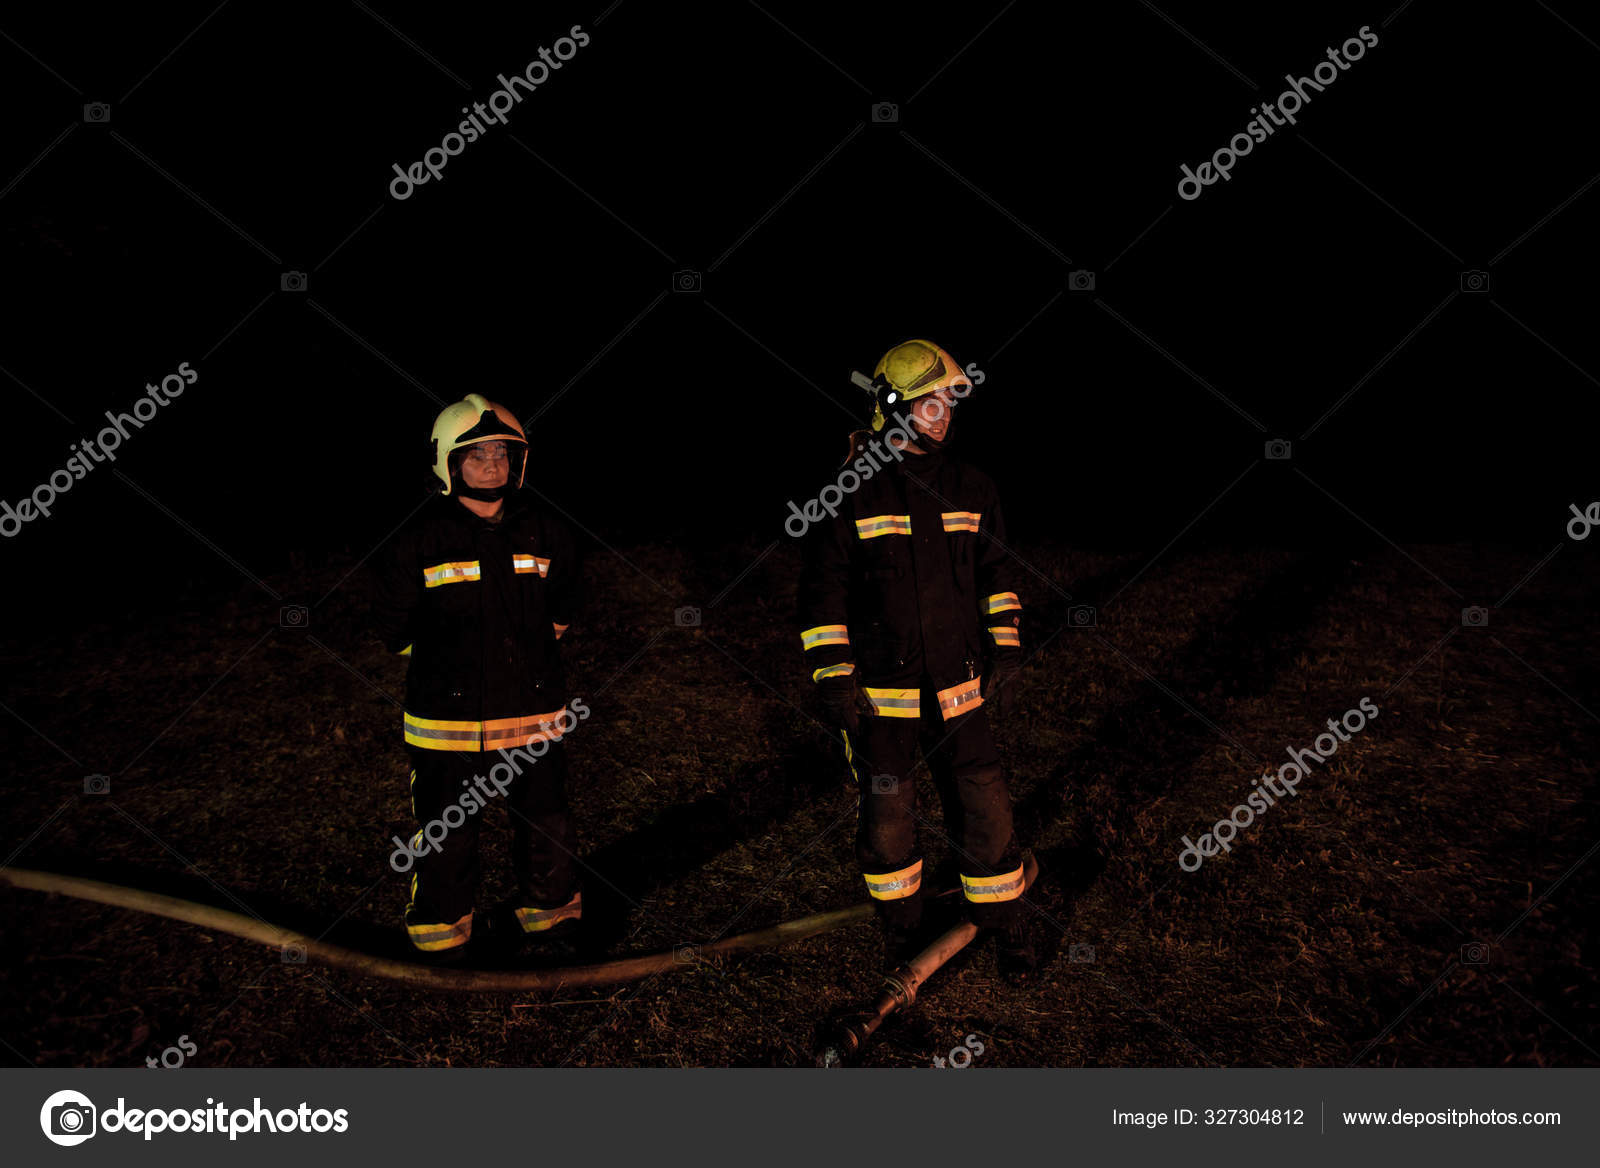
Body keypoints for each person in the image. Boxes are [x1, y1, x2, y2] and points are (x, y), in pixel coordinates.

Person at [796, 340, 1035, 983]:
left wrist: (1007, 652)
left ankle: (1005, 923)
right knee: (889, 814)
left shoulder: (974, 487)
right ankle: (905, 929)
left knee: (984, 802)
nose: (942, 416)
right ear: (892, 408)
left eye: (948, 403)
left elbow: (997, 575)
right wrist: (835, 674)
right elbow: (823, 593)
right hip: (882, 693)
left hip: (961, 685)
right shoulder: (847, 492)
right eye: (928, 403)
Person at [373, 393, 583, 961]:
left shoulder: (544, 529)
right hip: (448, 727)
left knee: (546, 826)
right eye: (476, 454)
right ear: (448, 463)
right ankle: (442, 938)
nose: (491, 463)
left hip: (535, 718)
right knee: (447, 833)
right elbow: (395, 626)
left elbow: (563, 605)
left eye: (500, 452)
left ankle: (553, 923)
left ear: (518, 461)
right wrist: (451, 663)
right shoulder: (418, 538)